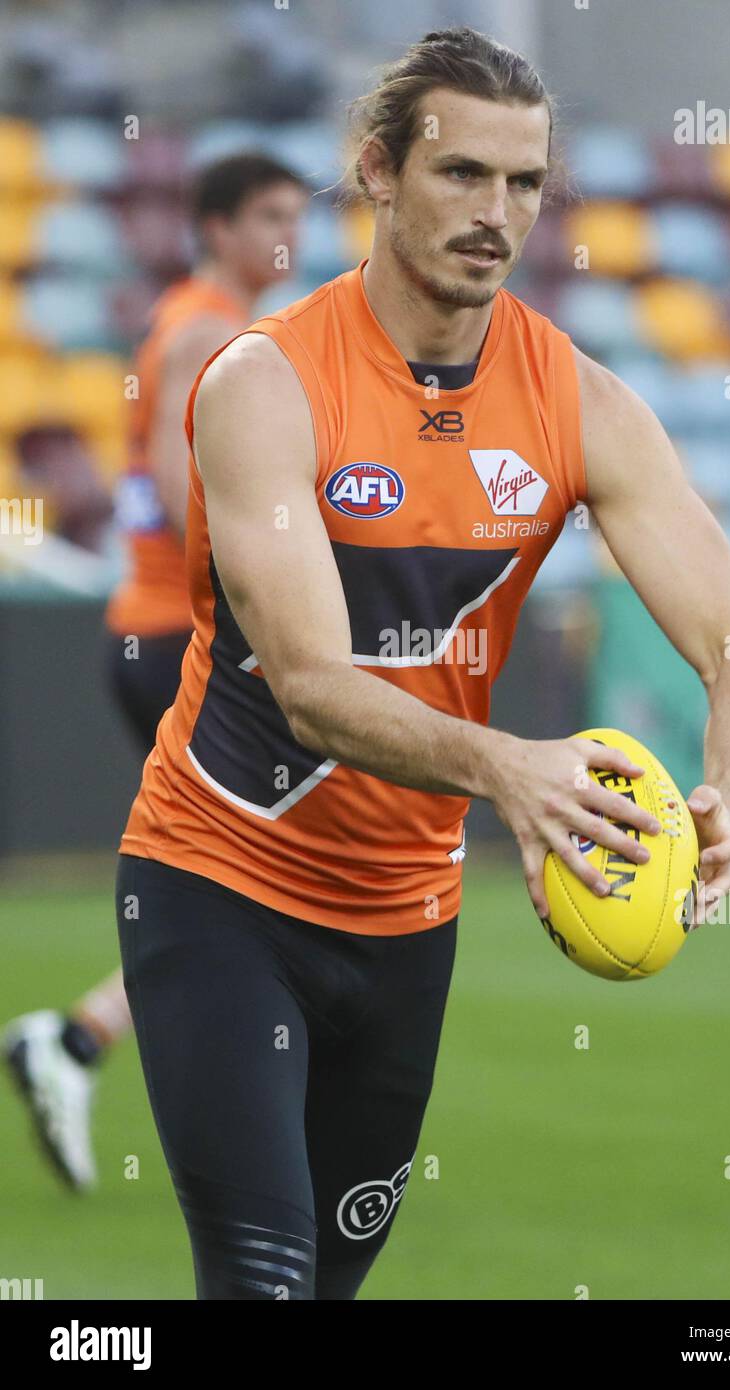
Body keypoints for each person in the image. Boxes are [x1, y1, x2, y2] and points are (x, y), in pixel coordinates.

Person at [114, 27, 730, 1298]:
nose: (496, 214)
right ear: (377, 170)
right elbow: (311, 685)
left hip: (406, 924)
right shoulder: (264, 381)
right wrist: (511, 770)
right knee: (259, 1279)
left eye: (524, 184)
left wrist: (726, 799)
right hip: (219, 886)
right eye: (460, 174)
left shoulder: (578, 398)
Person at [3, 153, 310, 1192]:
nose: (289, 234)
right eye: (269, 214)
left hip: (163, 633)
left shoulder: (208, 323)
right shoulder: (206, 330)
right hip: (178, 638)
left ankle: (81, 1041)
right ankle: (111, 1056)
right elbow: (194, 506)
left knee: (249, 884)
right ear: (216, 226)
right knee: (266, 884)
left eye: (294, 214)